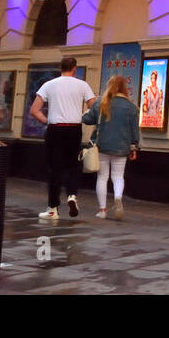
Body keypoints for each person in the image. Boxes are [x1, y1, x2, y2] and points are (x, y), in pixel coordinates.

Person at [29, 57, 96, 220]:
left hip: (55, 129)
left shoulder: (49, 85)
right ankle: (72, 195)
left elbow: (34, 110)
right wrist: (82, 116)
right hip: (74, 129)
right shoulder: (83, 85)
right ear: (74, 68)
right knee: (73, 164)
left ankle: (53, 209)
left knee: (55, 168)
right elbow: (93, 107)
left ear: (61, 68)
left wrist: (47, 120)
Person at [81, 75, 140, 220]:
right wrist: (134, 147)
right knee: (118, 176)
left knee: (102, 177)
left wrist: (84, 113)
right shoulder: (131, 107)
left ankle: (102, 211)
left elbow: (88, 120)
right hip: (122, 146)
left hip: (101, 146)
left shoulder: (101, 102)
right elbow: (134, 130)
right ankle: (118, 198)